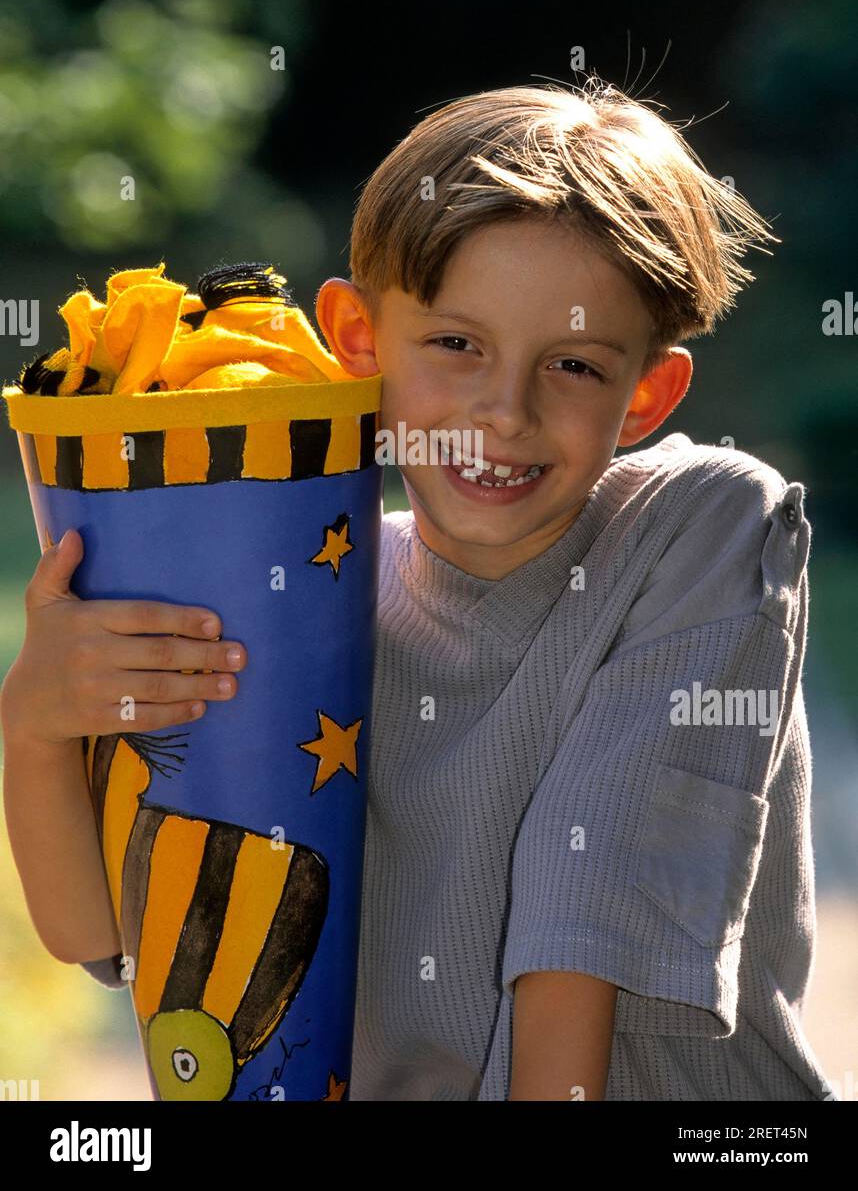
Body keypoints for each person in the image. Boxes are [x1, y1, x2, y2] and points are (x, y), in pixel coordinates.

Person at [1, 80, 834, 1100]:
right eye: (456, 344)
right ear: (357, 342)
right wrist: (36, 728)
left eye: (572, 364)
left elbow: (586, 904)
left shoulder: (703, 523)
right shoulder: (304, 602)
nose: (506, 410)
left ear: (647, 395)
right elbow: (111, 939)